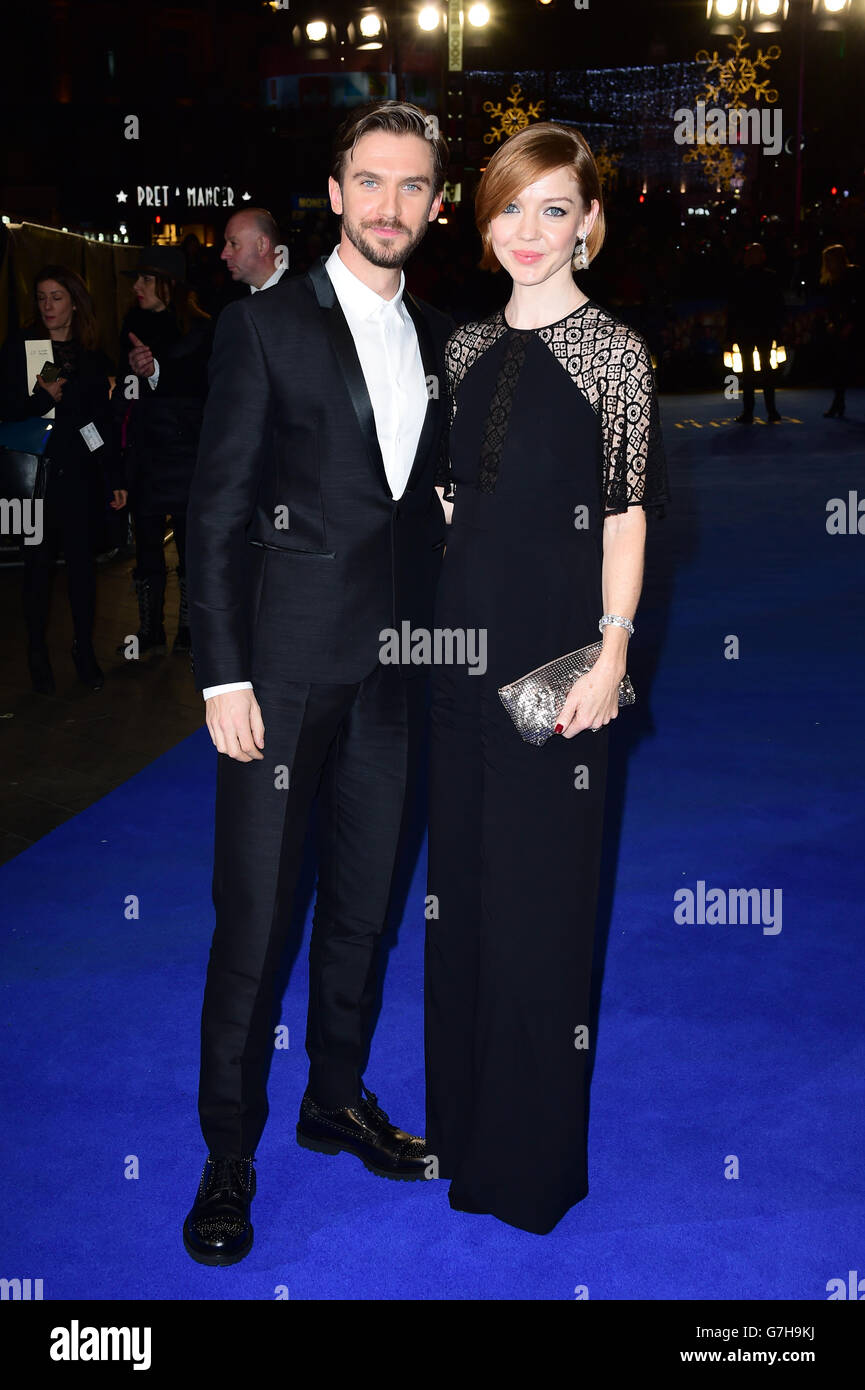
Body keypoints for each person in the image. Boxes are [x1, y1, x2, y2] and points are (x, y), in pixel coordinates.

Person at [183, 101, 452, 1265]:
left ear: (437, 204)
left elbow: (430, 508)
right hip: (281, 678)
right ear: (335, 192)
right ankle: (227, 1153)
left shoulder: (446, 337)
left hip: (396, 677)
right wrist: (222, 675)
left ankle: (332, 1097)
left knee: (362, 909)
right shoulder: (263, 328)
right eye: (371, 182)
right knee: (254, 922)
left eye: (414, 187)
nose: (391, 205)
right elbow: (216, 513)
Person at [425, 123, 670, 1235]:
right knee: (464, 896)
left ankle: (525, 1168)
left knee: (539, 906)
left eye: (552, 209)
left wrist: (612, 655)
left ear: (589, 223)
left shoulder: (616, 352)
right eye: (509, 208)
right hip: (460, 663)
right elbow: (445, 503)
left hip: (556, 670)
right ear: (484, 222)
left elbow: (626, 514)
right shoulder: (465, 347)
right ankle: (463, 1134)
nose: (528, 231)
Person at [0, 265, 125, 693]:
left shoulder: (89, 356)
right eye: (41, 297)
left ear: (74, 300)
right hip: (29, 479)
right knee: (33, 571)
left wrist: (112, 475)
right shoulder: (22, 346)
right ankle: (37, 655)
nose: (47, 306)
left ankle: (84, 651)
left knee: (81, 570)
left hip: (76, 479)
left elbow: (98, 423)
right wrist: (39, 398)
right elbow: (7, 409)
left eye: (56, 297)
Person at [116, 246, 212, 658]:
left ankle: (189, 628)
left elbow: (198, 392)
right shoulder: (131, 325)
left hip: (187, 455)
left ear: (168, 286)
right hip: (146, 454)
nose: (136, 287)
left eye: (145, 279)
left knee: (191, 547)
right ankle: (149, 627)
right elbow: (125, 392)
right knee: (148, 544)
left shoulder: (201, 329)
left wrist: (155, 371)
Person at [726, 242, 784, 424]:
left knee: (751, 372)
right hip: (761, 330)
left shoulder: (741, 278)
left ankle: (751, 411)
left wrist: (729, 335)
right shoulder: (769, 277)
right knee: (764, 370)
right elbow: (777, 307)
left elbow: (734, 309)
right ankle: (769, 411)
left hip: (750, 330)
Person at [819, 243, 862, 419]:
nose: (828, 264)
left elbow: (860, 302)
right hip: (838, 326)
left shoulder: (853, 274)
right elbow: (831, 306)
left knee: (847, 365)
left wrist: (851, 324)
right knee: (838, 367)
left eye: (830, 260)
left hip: (855, 325)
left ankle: (838, 404)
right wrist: (830, 322)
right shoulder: (831, 279)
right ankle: (838, 403)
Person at [220, 208, 287, 293]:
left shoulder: (304, 295)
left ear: (262, 245)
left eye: (233, 243)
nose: (223, 255)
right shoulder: (228, 297)